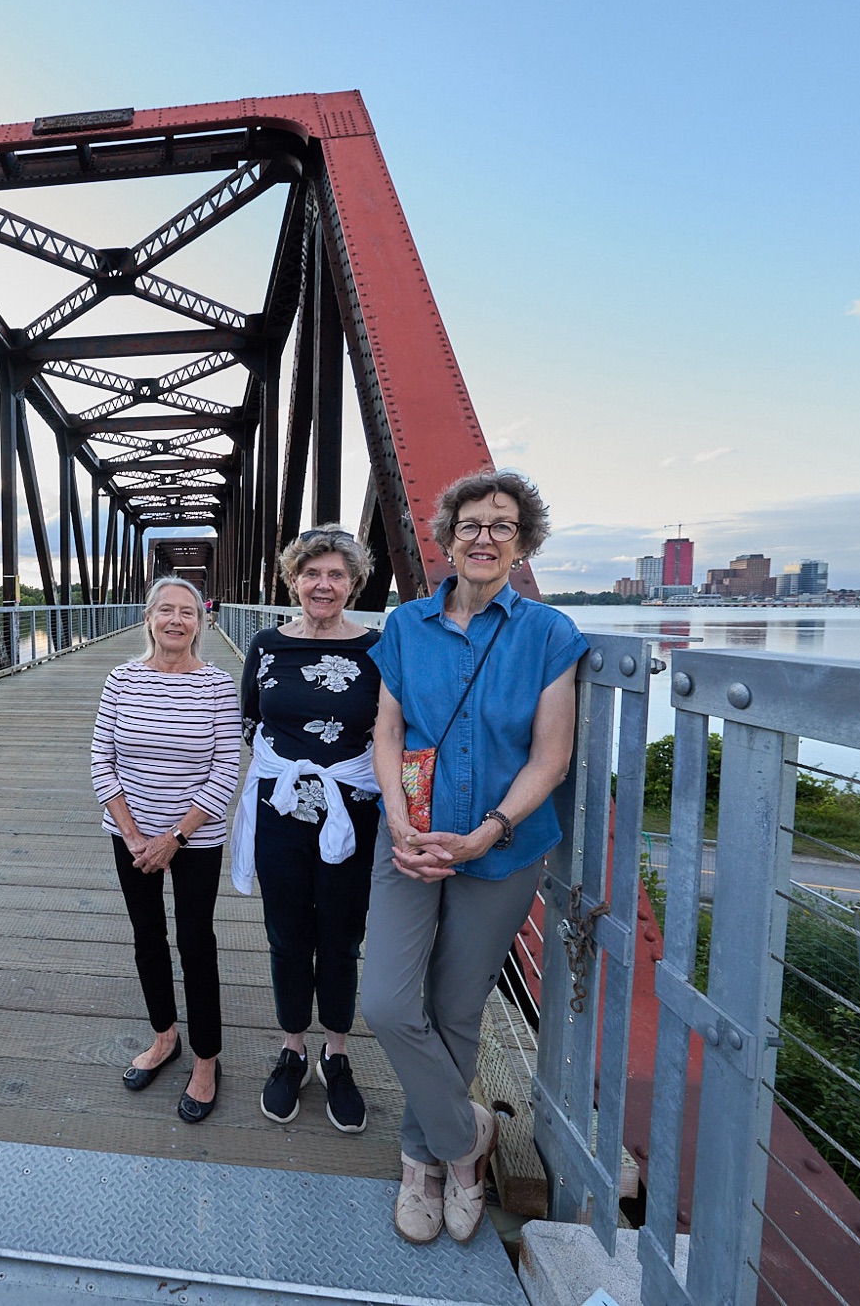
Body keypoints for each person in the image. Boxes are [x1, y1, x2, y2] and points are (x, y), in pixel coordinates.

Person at [358, 472, 586, 1244]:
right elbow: (386, 733)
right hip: (411, 839)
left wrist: (489, 829)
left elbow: (550, 759)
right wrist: (396, 820)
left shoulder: (549, 633)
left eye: (504, 526)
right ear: (446, 537)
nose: (485, 537)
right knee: (388, 1001)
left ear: (523, 544)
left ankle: (425, 1158)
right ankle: (469, 1139)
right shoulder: (404, 626)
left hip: (503, 847)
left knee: (456, 1007)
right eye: (471, 525)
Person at [230, 526, 382, 1134]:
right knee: (287, 933)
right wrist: (294, 777)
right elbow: (249, 720)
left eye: (337, 575)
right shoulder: (267, 645)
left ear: (353, 584)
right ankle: (293, 1046)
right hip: (281, 809)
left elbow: (392, 729)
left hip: (355, 806)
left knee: (342, 934)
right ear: (293, 581)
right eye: (312, 574)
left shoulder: (378, 647)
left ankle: (337, 1052)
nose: (324, 585)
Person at [90, 577, 241, 1123]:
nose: (176, 620)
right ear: (149, 618)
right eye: (166, 611)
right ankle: (164, 1037)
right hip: (130, 837)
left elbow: (227, 769)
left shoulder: (219, 685)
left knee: (195, 940)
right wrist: (133, 835)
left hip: (194, 838)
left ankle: (206, 1059)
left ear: (201, 622)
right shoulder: (121, 679)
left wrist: (174, 837)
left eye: (188, 612)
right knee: (147, 936)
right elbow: (100, 759)